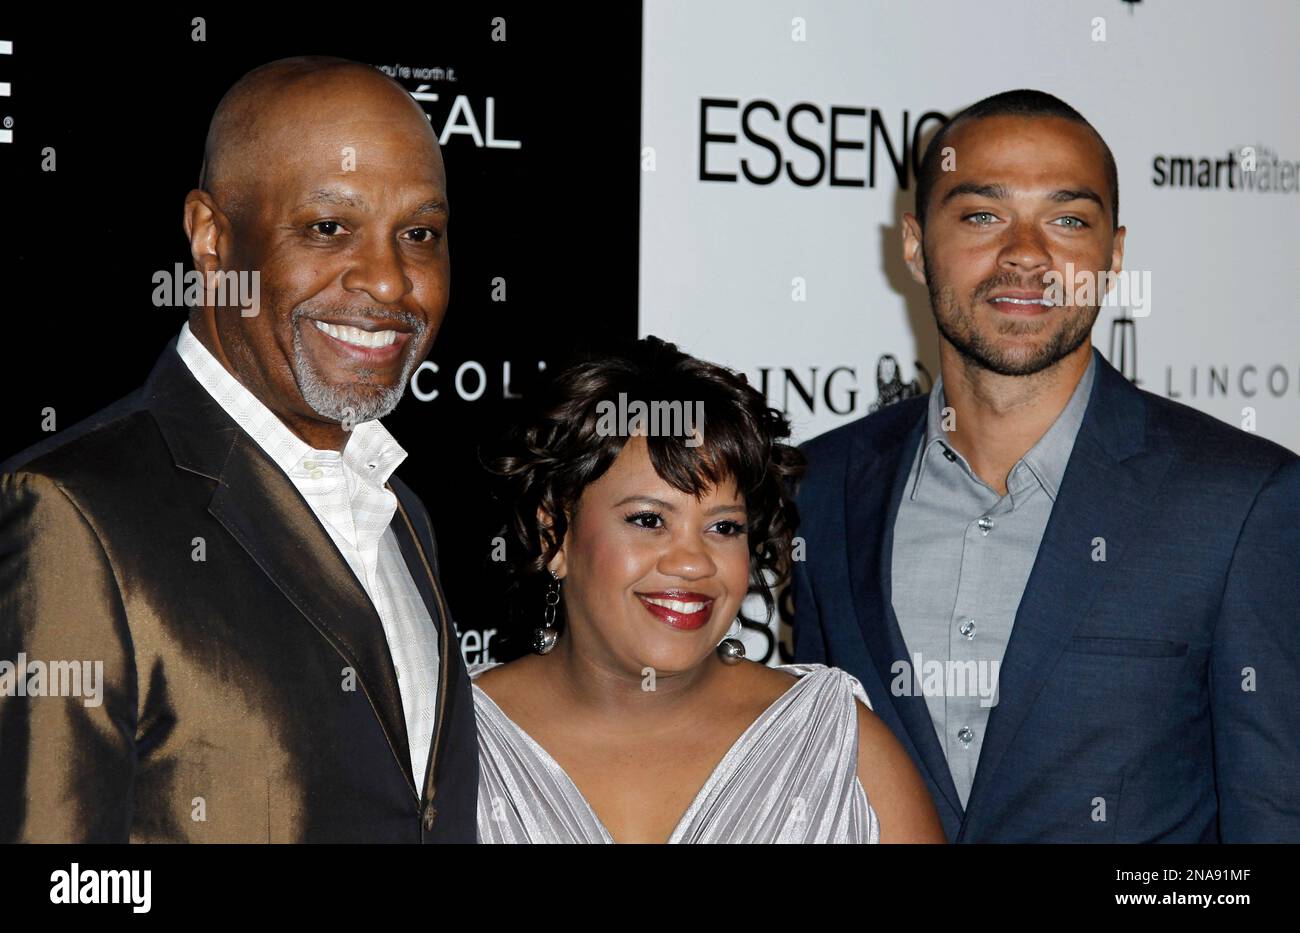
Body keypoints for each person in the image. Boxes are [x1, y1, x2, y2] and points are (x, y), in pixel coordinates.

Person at [792, 89, 1300, 842]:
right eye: (981, 215)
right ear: (912, 244)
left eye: (1067, 220)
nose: (1026, 253)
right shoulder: (820, 487)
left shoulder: (1240, 502)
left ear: (1114, 256)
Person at [0, 56, 477, 842]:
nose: (391, 282)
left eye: (420, 234)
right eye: (329, 228)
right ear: (213, 240)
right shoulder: (72, 513)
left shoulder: (403, 517)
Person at [472, 337, 945, 843]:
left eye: (724, 528)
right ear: (554, 537)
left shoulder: (835, 746)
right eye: (649, 519)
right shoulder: (446, 741)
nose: (693, 563)